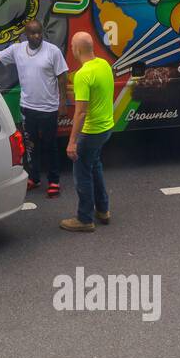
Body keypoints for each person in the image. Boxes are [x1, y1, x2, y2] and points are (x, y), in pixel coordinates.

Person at [0, 19, 68, 196]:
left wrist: (63, 103)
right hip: (28, 107)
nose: (37, 36)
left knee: (50, 145)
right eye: (33, 33)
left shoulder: (52, 51)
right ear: (26, 35)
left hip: (49, 109)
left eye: (39, 32)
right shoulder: (17, 50)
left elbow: (62, 77)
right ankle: (34, 177)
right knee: (31, 145)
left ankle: (54, 181)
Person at [60, 32, 115, 233]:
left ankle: (84, 218)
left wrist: (72, 141)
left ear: (77, 49)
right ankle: (103, 210)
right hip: (106, 127)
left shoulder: (83, 75)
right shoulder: (104, 64)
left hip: (91, 131)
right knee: (95, 165)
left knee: (82, 172)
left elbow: (81, 111)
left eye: (72, 46)